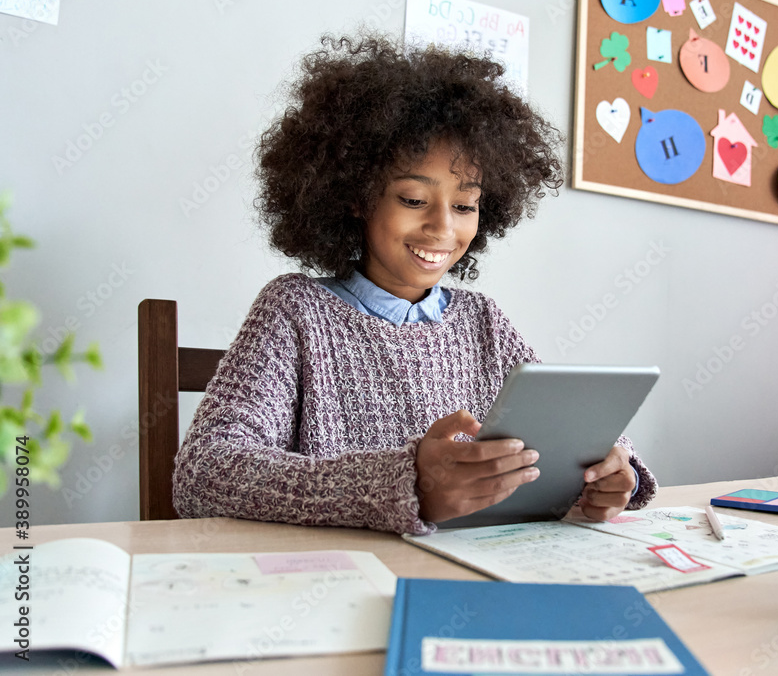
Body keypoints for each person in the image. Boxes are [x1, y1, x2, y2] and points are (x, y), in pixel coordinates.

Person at [173, 35, 657, 534]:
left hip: (470, 574)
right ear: (356, 196)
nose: (444, 228)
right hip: (342, 579)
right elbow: (204, 472)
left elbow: (565, 430)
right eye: (412, 199)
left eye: (466, 205)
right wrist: (405, 483)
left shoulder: (482, 321)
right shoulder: (295, 311)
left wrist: (613, 470)